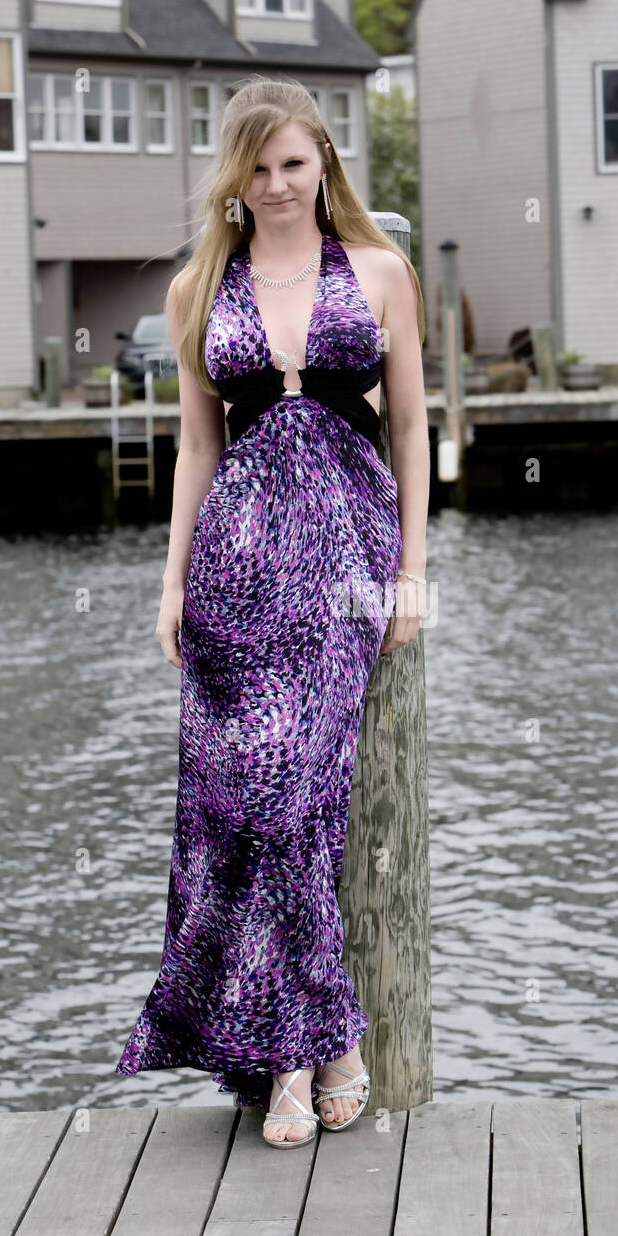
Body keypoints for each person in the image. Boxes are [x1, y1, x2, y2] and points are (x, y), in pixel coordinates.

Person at [115, 75, 429, 1147]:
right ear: (233, 179)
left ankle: (306, 1047)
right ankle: (312, 1046)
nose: (276, 183)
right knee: (244, 802)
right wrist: (169, 585)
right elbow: (196, 445)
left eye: (293, 163)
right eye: (256, 168)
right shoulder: (200, 286)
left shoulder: (381, 270)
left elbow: (413, 432)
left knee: (297, 790)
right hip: (237, 556)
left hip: (346, 547)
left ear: (323, 163)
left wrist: (414, 574)